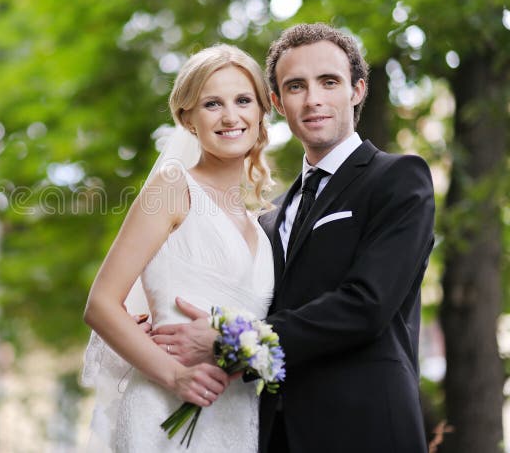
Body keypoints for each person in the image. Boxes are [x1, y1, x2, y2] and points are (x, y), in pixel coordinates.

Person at [152, 23, 435, 452]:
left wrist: (232, 341)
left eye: (329, 82)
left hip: (366, 427)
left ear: (357, 91)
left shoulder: (398, 179)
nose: (314, 99)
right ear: (279, 103)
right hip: (273, 432)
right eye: (296, 86)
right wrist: (161, 323)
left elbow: (367, 305)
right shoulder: (269, 218)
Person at [82, 44, 275, 452]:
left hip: (238, 417)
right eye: (212, 104)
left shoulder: (262, 226)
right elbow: (100, 304)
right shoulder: (172, 187)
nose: (230, 116)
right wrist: (175, 376)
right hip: (164, 413)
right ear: (188, 118)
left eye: (243, 100)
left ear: (261, 111)